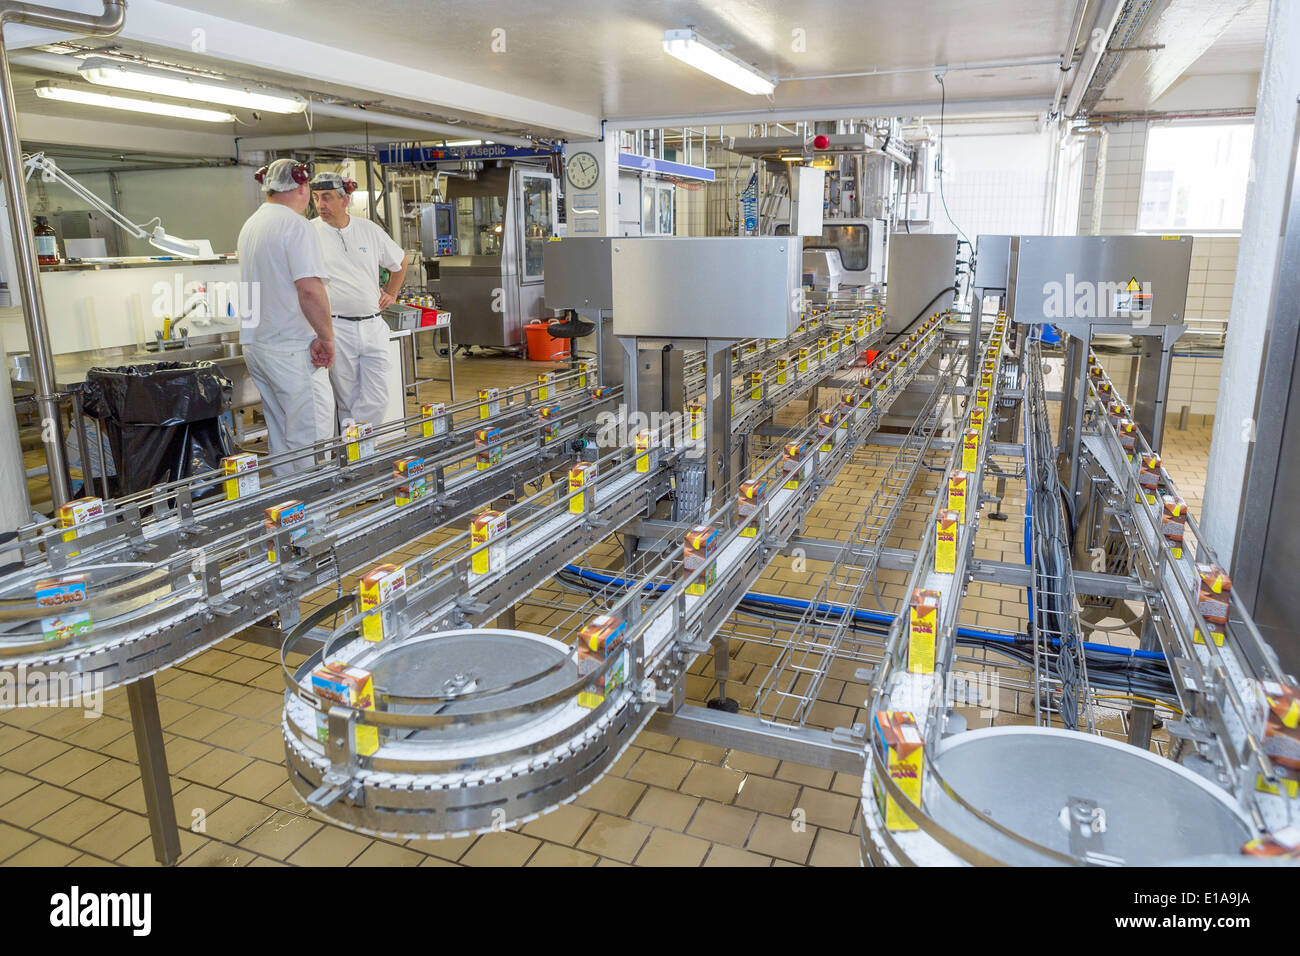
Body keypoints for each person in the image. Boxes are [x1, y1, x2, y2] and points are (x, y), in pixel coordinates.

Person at [238, 158, 336, 477]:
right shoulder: (296, 225)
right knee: (312, 438)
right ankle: (319, 520)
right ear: (303, 186)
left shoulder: (251, 225)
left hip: (259, 347)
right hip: (291, 349)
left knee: (282, 438)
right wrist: (327, 338)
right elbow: (309, 290)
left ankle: (290, 516)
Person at [309, 171, 409, 430]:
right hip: (337, 327)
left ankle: (362, 447)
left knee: (378, 396)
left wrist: (392, 292)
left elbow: (400, 261)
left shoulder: (368, 229)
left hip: (373, 324)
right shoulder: (308, 233)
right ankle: (356, 457)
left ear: (345, 200)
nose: (321, 204)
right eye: (317, 197)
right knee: (347, 399)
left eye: (327, 197)